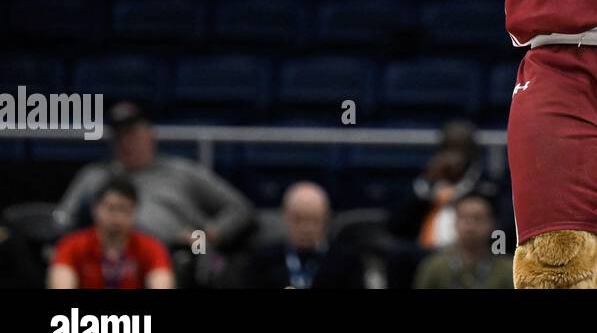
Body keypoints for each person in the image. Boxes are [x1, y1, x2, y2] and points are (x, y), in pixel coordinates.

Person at [55, 103, 254, 252]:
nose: (126, 142)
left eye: (132, 134)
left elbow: (239, 208)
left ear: (151, 134)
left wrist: (206, 235)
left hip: (175, 255)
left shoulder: (181, 171)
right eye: (119, 136)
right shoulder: (94, 176)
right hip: (105, 260)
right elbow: (62, 220)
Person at [48, 178, 174, 289]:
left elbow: (161, 282)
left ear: (134, 212)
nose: (117, 217)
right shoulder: (71, 245)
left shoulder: (151, 247)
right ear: (95, 209)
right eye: (111, 209)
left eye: (124, 209)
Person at [242, 182, 364, 289]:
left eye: (314, 220)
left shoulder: (347, 262)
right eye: (298, 219)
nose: (306, 228)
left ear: (326, 219)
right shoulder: (262, 260)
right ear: (285, 217)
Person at [413, 190, 513, 289]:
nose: (469, 226)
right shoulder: (434, 267)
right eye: (463, 218)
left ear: (492, 224)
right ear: (455, 222)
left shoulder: (508, 270)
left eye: (477, 218)